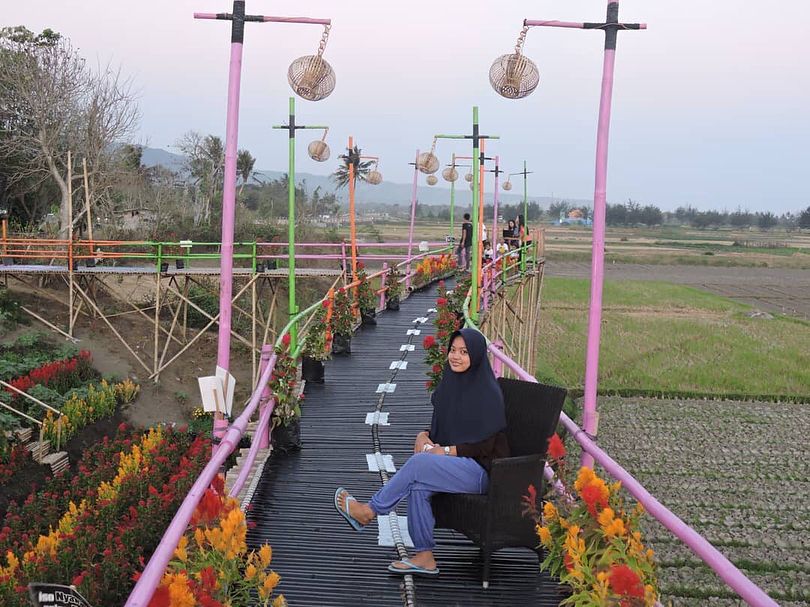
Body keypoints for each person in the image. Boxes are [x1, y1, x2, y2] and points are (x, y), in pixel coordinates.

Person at [334, 328, 509, 576]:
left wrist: (447, 451)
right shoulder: (451, 385)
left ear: (478, 356)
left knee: (419, 465)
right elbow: (449, 426)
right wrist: (424, 434)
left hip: (480, 470)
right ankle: (425, 555)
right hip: (455, 465)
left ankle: (369, 511)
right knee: (418, 485)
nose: (456, 357)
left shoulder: (488, 394)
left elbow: (485, 445)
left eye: (464, 352)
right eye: (453, 350)